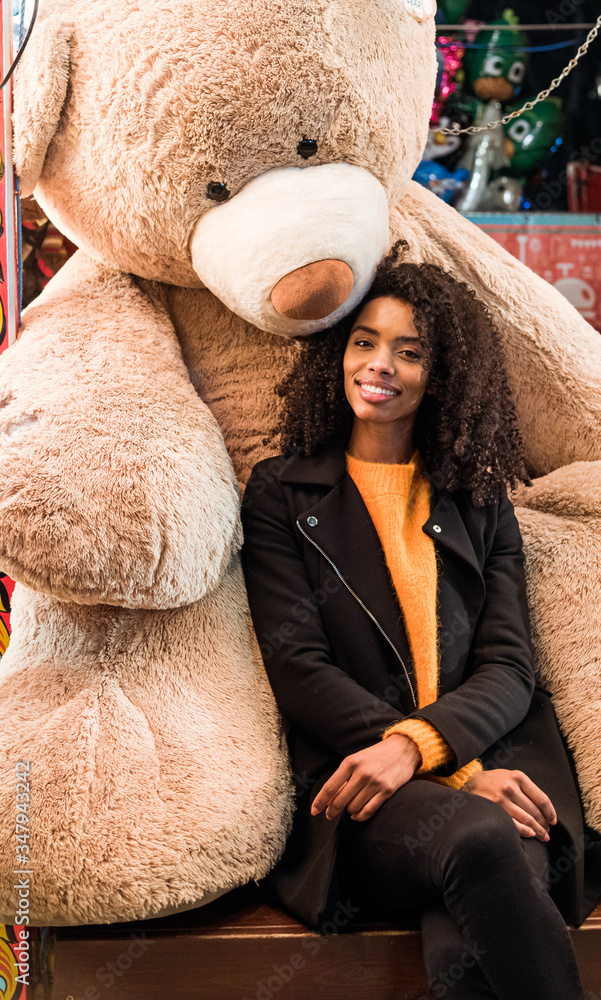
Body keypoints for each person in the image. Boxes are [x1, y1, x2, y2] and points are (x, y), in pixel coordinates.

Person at [240, 243, 601, 1000]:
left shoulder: (478, 500)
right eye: (364, 342)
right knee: (477, 841)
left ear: (441, 377)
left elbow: (510, 667)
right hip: (362, 785)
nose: (378, 365)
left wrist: (431, 751)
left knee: (466, 924)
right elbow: (299, 667)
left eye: (409, 352)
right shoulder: (282, 492)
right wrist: (428, 761)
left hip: (506, 769)